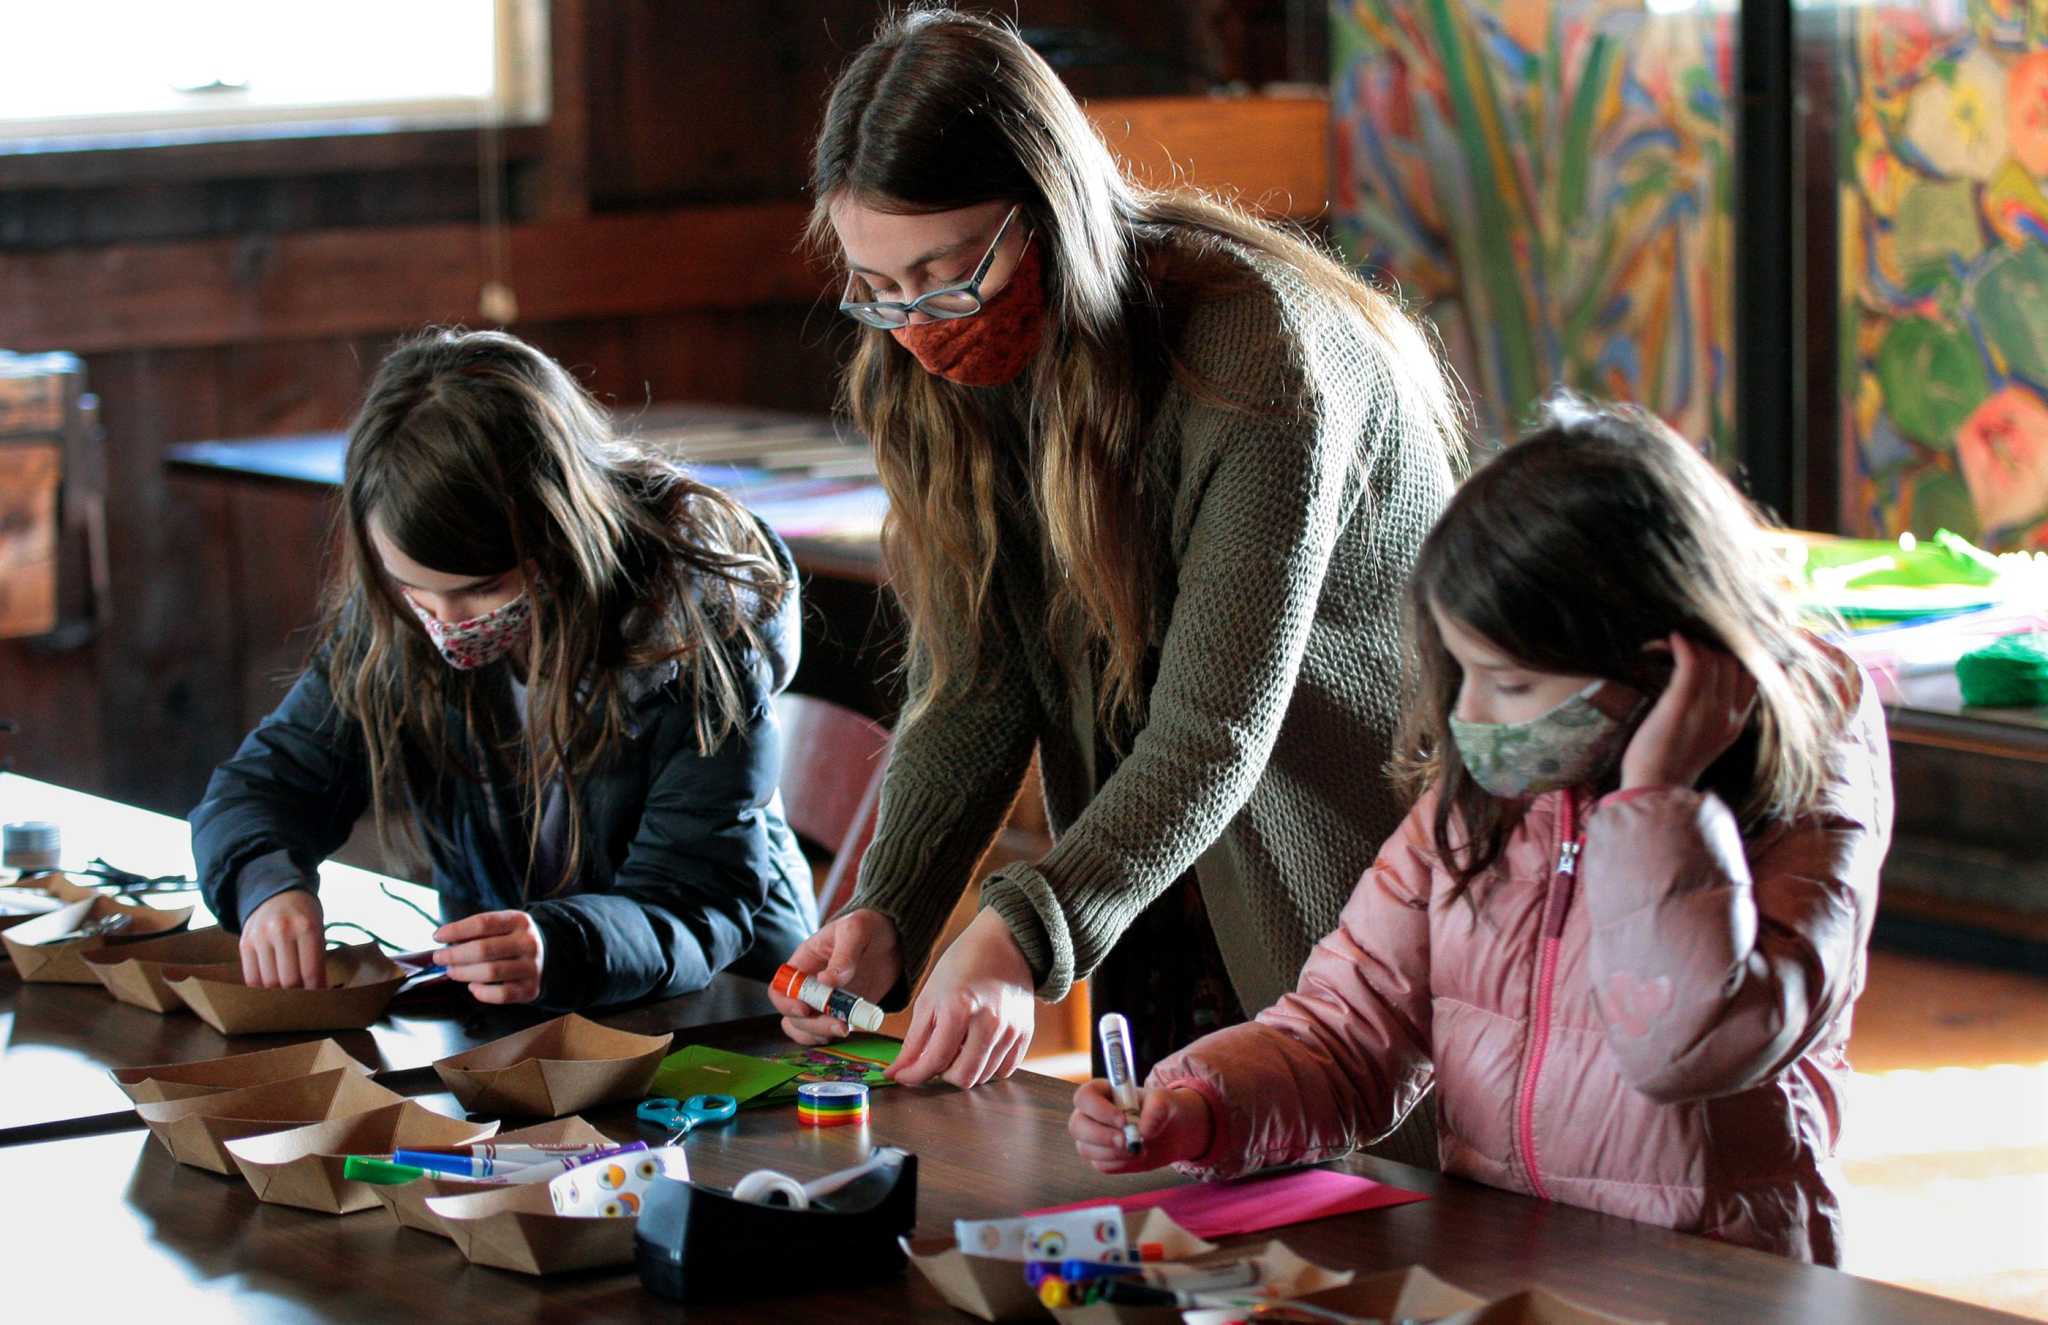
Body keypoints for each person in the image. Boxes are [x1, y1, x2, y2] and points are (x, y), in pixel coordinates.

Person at [770, 5, 1463, 1158]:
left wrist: (1019, 932)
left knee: (1359, 1218)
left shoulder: (1256, 349)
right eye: (876, 290)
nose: (917, 332)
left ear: (1050, 210)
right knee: (1169, 1201)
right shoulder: (932, 370)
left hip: (1334, 852)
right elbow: (972, 680)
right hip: (1162, 876)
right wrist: (887, 909)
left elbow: (1210, 730)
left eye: (945, 275)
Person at [1069, 398, 1895, 1265]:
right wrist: (1199, 1107)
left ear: (1660, 663)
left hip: (1712, 1285)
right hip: (1511, 1266)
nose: (1467, 718)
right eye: (1461, 673)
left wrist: (1658, 799)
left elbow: (1690, 1045)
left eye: (1507, 684)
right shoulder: (1491, 798)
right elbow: (1347, 1034)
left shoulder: (1801, 780)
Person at [190, 329, 816, 1009]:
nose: (445, 621)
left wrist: (561, 945)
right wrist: (266, 883)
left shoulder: (694, 634)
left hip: (729, 1010)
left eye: (482, 589)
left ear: (561, 529)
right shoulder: (398, 624)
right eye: (413, 588)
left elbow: (695, 902)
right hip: (518, 1016)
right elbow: (272, 780)